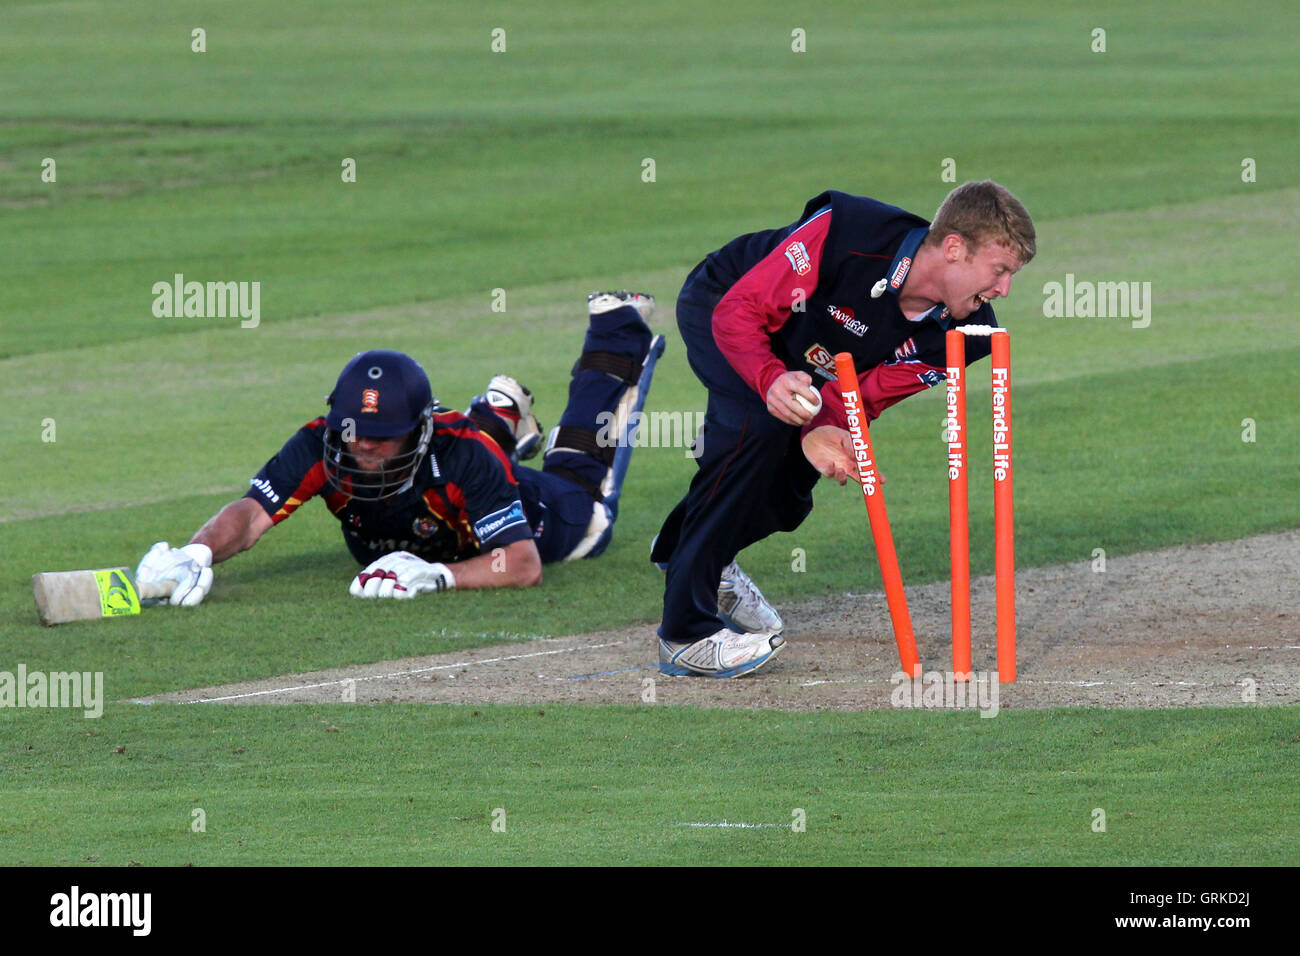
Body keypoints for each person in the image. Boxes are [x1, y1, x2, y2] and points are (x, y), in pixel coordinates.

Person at [652, 181, 1036, 678]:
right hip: (728, 305)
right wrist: (769, 380)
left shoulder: (967, 335)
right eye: (999, 271)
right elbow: (739, 311)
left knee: (789, 497)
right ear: (954, 248)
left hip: (805, 365)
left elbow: (863, 397)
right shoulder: (849, 232)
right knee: (756, 432)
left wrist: (823, 428)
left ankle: (686, 547)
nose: (1004, 290)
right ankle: (685, 633)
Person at [134, 292, 665, 604]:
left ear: (418, 430)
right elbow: (253, 513)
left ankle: (618, 331)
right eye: (354, 431)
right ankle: (499, 414)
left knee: (581, 480)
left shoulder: (462, 455)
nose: (362, 446)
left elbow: (523, 565)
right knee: (475, 454)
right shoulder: (321, 440)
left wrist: (442, 576)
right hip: (434, 514)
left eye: (382, 436)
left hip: (547, 513)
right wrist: (196, 552)